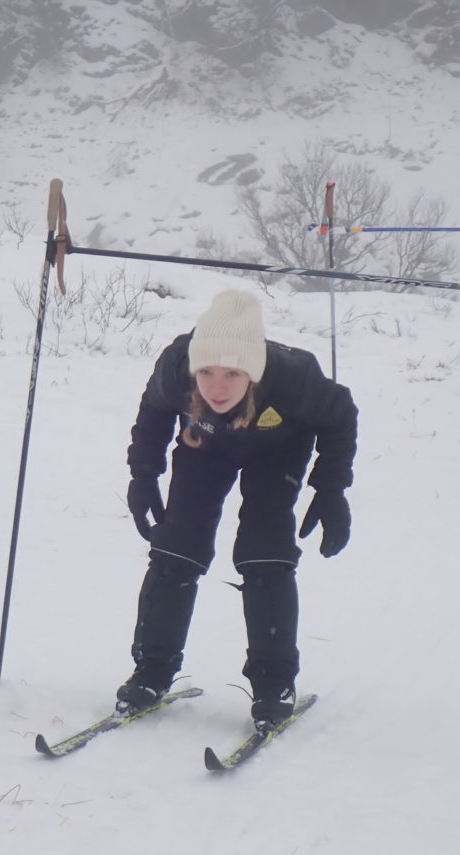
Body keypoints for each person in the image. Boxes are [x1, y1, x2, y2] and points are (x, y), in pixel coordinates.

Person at [119, 289, 358, 730]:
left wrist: (330, 489)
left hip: (278, 449)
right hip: (204, 442)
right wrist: (143, 474)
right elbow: (153, 413)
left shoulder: (295, 379)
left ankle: (273, 684)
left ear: (254, 369)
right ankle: (151, 672)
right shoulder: (177, 368)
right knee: (176, 550)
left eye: (233, 373)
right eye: (206, 371)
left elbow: (341, 415)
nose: (217, 386)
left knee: (265, 555)